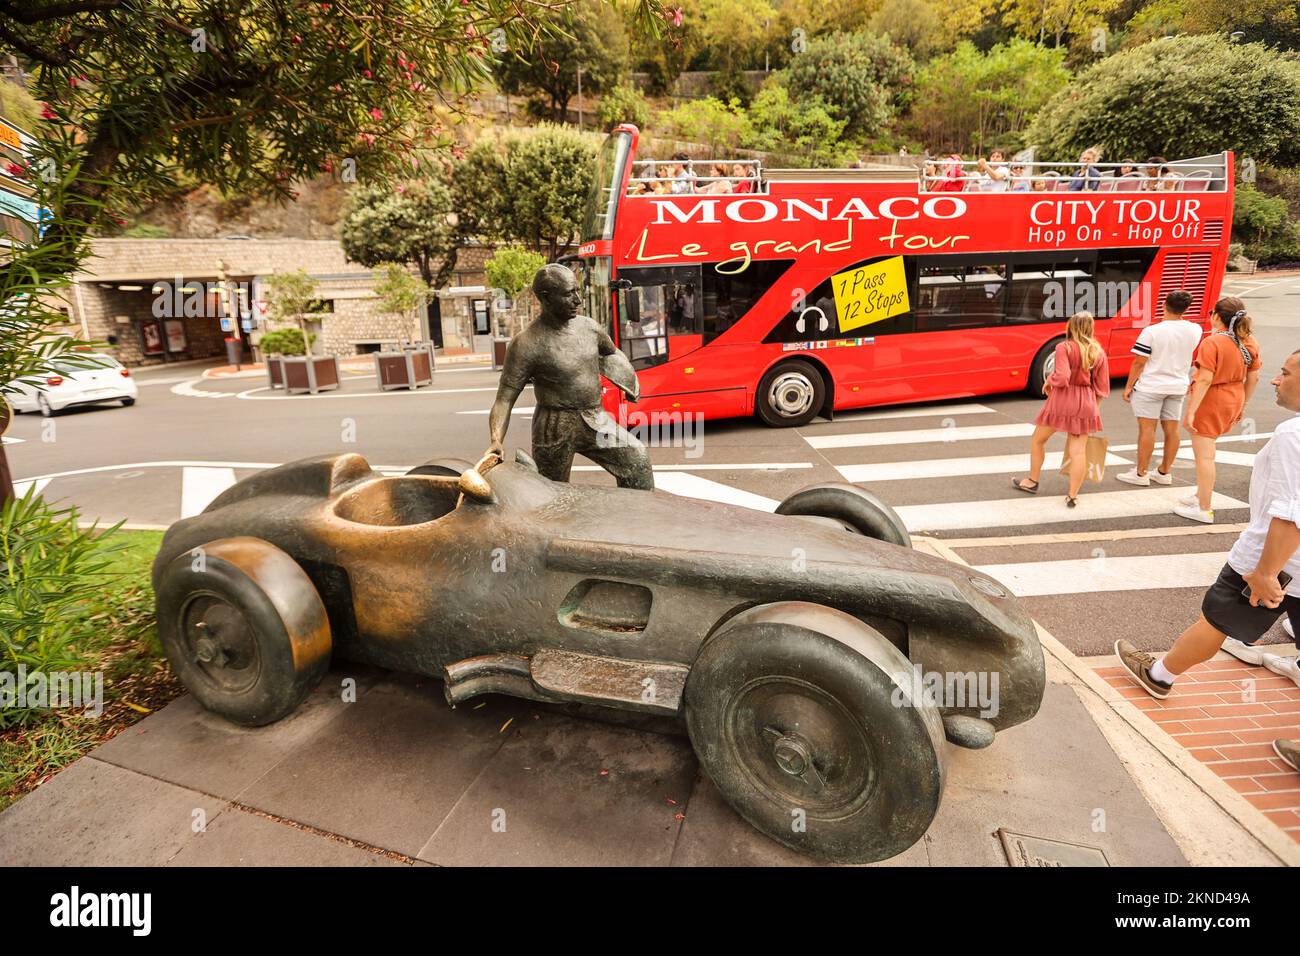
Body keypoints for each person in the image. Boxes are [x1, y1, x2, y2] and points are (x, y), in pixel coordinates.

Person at [1116, 350, 1300, 700]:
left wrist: (1265, 571)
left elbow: (1292, 513)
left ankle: (1159, 675)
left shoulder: (1294, 434)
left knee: (1217, 622)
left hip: (1277, 561)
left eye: (1286, 373)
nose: (1276, 380)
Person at [487, 264, 654, 490]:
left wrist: (628, 381)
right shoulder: (525, 344)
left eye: (577, 291)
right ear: (546, 298)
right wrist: (496, 439)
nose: (578, 300)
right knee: (551, 492)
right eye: (568, 294)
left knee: (636, 459)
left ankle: (638, 520)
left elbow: (610, 353)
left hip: (595, 418)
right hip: (554, 425)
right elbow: (504, 399)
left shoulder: (589, 328)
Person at [1176, 296, 1262, 523]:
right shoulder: (1249, 340)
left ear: (1216, 316)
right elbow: (1254, 377)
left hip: (1212, 399)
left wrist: (1192, 410)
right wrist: (1243, 403)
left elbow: (1204, 379)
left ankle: (1204, 508)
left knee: (1204, 456)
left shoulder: (1212, 342)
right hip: (1234, 396)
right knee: (1208, 452)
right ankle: (1200, 495)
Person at [1013, 311, 1111, 507]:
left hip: (1062, 401)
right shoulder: (1098, 352)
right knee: (1078, 451)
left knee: (1038, 440)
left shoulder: (1063, 347)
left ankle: (1032, 481)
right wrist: (1093, 410)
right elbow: (1102, 388)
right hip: (1087, 402)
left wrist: (1049, 381)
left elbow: (1063, 376)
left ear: (1071, 327)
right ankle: (1072, 495)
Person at [1116, 289, 1202, 487]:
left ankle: (1141, 474)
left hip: (1151, 387)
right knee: (1172, 429)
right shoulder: (1194, 330)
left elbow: (1139, 362)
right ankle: (1164, 472)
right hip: (1178, 385)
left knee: (1147, 430)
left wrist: (1129, 386)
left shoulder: (1152, 331)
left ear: (1165, 305)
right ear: (1186, 309)